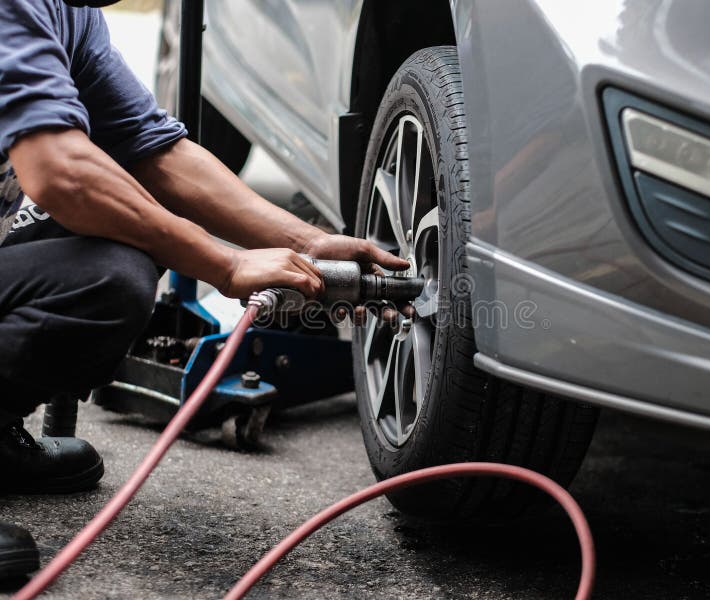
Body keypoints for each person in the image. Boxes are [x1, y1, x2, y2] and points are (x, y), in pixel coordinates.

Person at [0, 0, 408, 580]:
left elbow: (151, 151)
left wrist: (308, 242)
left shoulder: (68, 13)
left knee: (123, 246)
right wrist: (226, 265)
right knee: (106, 267)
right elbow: (60, 172)